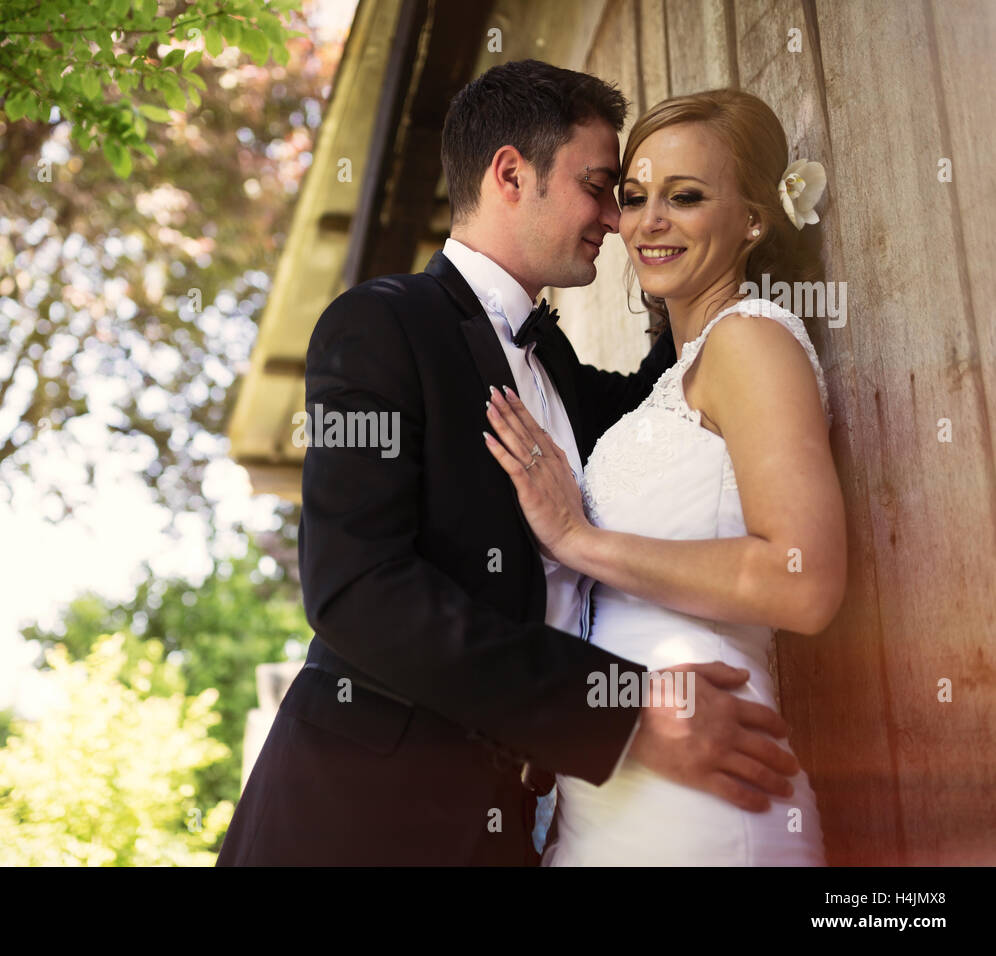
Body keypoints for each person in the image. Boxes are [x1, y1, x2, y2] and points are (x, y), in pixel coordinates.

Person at [217, 61, 802, 867]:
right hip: (362, 819)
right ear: (510, 174)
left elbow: (668, 403)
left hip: (522, 829)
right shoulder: (376, 327)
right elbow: (356, 590)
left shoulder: (551, 355)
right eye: (603, 188)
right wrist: (622, 711)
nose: (615, 218)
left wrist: (694, 244)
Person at [484, 88, 845, 865]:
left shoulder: (752, 342)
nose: (647, 222)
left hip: (706, 797)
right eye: (635, 197)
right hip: (613, 793)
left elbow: (805, 581)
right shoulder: (672, 377)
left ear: (753, 218)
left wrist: (579, 539)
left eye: (684, 198)